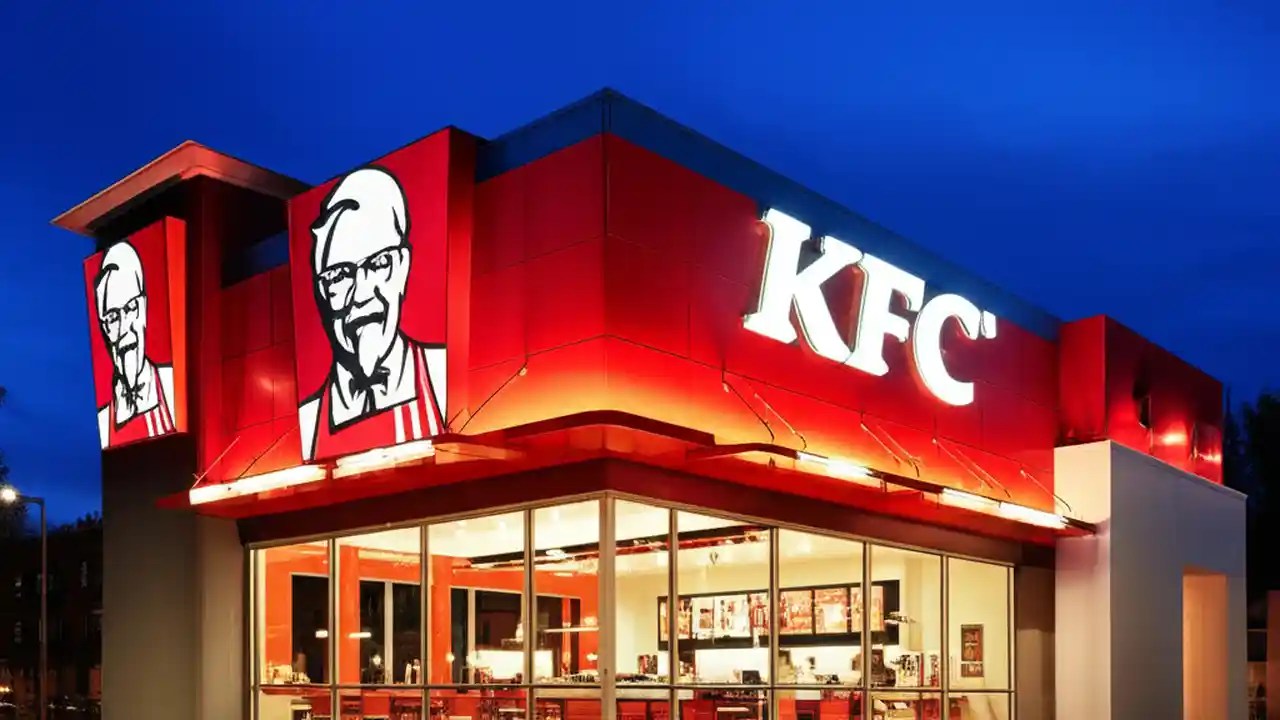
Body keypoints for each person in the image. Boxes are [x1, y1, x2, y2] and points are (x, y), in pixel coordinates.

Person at [298, 166, 446, 462]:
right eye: (339, 275)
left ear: (403, 267)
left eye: (379, 263)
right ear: (322, 292)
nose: (362, 293)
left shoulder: (441, 374)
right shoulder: (308, 420)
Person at [92, 240, 176, 448]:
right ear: (104, 329)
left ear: (143, 308)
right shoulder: (103, 421)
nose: (124, 328)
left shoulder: (171, 387)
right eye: (112, 317)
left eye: (130, 308)